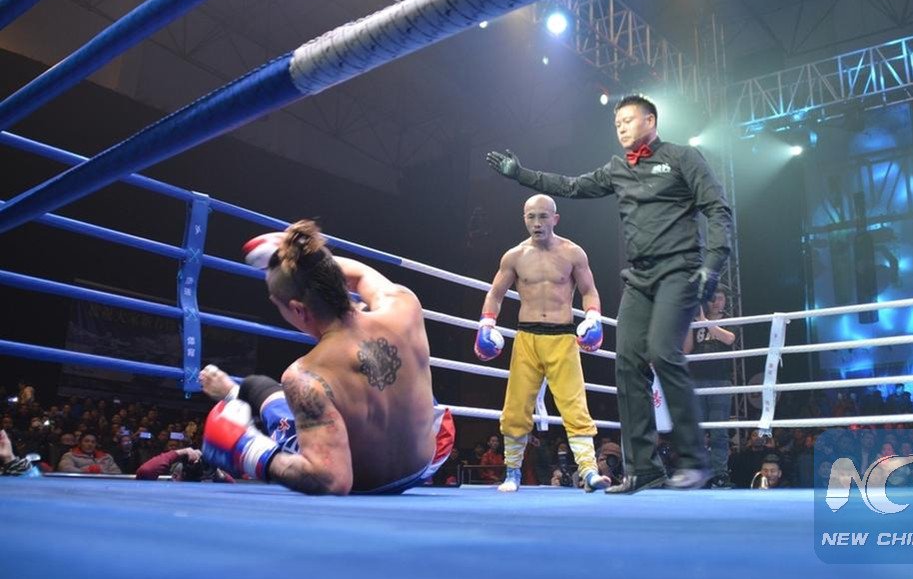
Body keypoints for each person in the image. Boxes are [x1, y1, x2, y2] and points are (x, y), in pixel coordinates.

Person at [487, 94, 732, 492]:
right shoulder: (618, 168)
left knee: (663, 351)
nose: (620, 127)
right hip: (639, 277)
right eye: (616, 122)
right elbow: (571, 185)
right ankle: (644, 469)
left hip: (680, 269)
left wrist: (713, 262)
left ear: (651, 120)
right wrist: (522, 174)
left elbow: (718, 209)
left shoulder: (684, 157)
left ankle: (693, 461)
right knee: (627, 362)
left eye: (628, 119)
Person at [202, 220, 455, 495]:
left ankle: (235, 392)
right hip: (426, 462)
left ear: (298, 310)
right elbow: (360, 274)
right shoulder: (404, 305)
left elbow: (332, 480)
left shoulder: (305, 377)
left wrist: (249, 450)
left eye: (277, 304)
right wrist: (305, 257)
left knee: (257, 388)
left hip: (365, 482)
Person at [475, 195, 610, 493]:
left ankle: (588, 471)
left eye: (543, 217)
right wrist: (486, 323)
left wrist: (593, 317)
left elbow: (589, 290)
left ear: (555, 219)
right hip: (527, 338)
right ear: (524, 218)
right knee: (515, 407)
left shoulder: (573, 253)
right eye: (531, 217)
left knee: (575, 405)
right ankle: (512, 472)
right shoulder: (514, 256)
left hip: (562, 337)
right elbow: (495, 294)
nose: (537, 223)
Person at [683, 290, 736, 488]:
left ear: (725, 301)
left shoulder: (729, 320)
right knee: (698, 431)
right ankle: (700, 472)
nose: (715, 302)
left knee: (718, 432)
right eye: (712, 298)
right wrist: (692, 323)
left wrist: (704, 320)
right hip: (696, 381)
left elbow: (729, 339)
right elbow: (687, 349)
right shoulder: (697, 322)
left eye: (720, 298)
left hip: (720, 381)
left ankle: (720, 473)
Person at [56, 433, 122, 474]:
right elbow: (65, 469)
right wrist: (87, 471)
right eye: (86, 441)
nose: (90, 444)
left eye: (93, 442)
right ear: (80, 443)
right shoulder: (69, 455)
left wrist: (101, 471)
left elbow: (117, 473)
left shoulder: (107, 457)